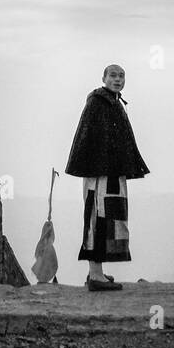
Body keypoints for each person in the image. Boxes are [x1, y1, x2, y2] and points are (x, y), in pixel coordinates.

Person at [64, 64, 150, 291]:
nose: (118, 79)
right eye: (113, 75)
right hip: (99, 177)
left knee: (108, 220)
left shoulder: (113, 102)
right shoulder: (97, 103)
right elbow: (90, 140)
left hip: (108, 174)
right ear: (103, 78)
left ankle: (97, 271)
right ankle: (95, 275)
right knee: (98, 220)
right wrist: (100, 167)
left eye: (121, 76)